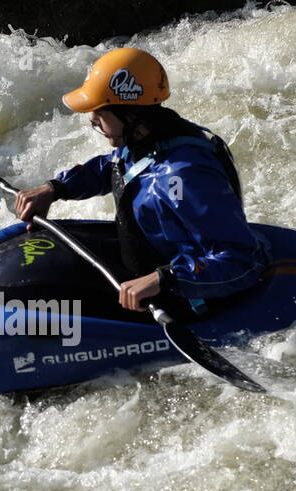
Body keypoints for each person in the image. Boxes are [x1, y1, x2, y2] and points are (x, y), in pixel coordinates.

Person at [14, 47, 272, 313]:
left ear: (130, 113)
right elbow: (112, 169)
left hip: (187, 293)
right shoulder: (145, 140)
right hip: (147, 261)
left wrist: (166, 278)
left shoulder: (185, 177)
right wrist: (56, 188)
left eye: (100, 114)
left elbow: (241, 260)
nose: (92, 120)